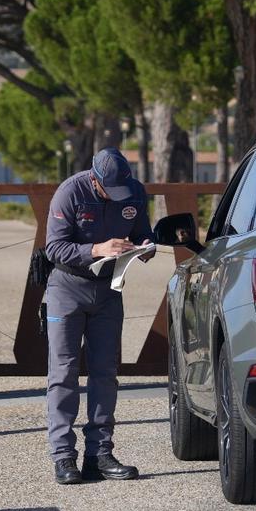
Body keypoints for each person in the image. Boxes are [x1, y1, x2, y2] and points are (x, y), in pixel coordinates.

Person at [44, 147, 155, 484]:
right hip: (68, 287)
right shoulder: (69, 192)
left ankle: (100, 453)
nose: (118, 196)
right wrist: (95, 249)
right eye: (110, 190)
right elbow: (54, 247)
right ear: (95, 179)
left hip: (109, 289)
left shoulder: (133, 190)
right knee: (64, 372)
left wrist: (146, 246)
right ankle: (64, 457)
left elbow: (142, 231)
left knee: (105, 372)